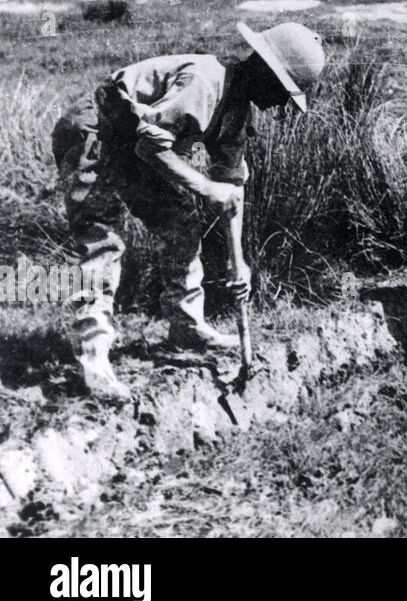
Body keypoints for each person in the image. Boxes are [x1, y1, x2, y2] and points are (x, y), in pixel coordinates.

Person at [51, 22, 327, 401]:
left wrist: (238, 262)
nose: (281, 104)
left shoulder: (237, 112)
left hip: (135, 143)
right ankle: (93, 355)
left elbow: (231, 189)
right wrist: (205, 187)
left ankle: (187, 326)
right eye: (282, 92)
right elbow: (151, 149)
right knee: (103, 240)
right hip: (95, 131)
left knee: (181, 220)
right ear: (264, 71)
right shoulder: (205, 81)